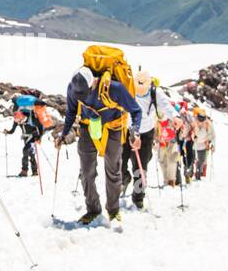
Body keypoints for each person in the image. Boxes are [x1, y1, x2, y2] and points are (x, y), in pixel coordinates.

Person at [56, 49, 141, 225]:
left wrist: (136, 130)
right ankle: (93, 209)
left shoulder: (114, 88)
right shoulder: (73, 88)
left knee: (113, 171)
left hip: (113, 128)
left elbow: (135, 110)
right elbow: (71, 112)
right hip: (88, 127)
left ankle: (113, 209)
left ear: (93, 81)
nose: (82, 96)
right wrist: (63, 134)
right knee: (86, 172)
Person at [122, 71, 176, 208]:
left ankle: (138, 197)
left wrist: (175, 117)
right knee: (119, 161)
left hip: (145, 133)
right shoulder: (128, 89)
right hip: (127, 131)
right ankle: (124, 177)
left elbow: (166, 105)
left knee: (140, 168)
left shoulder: (155, 93)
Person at [7, 108, 44, 176]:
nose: (18, 123)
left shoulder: (32, 119)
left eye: (19, 121)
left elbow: (41, 127)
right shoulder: (17, 119)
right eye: (17, 122)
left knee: (25, 150)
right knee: (31, 154)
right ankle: (35, 171)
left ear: (23, 118)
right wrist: (8, 132)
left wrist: (39, 137)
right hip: (26, 137)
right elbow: (12, 130)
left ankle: (24, 170)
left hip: (33, 137)